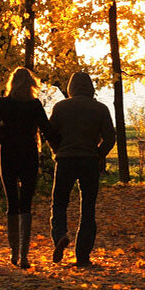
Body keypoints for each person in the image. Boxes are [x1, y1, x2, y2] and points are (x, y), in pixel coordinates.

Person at [0, 67, 59, 269]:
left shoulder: (4, 103)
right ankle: (25, 255)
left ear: (12, 83)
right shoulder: (35, 105)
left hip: (8, 152)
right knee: (26, 202)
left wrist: (4, 137)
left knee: (12, 202)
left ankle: (14, 253)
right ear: (31, 84)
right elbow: (47, 130)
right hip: (28, 152)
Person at [48, 72, 115, 267]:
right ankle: (83, 256)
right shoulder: (100, 109)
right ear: (90, 88)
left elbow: (50, 133)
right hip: (89, 161)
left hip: (65, 160)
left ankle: (60, 235)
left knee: (59, 203)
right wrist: (100, 154)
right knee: (88, 208)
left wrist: (57, 150)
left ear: (70, 88)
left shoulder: (60, 107)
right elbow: (110, 136)